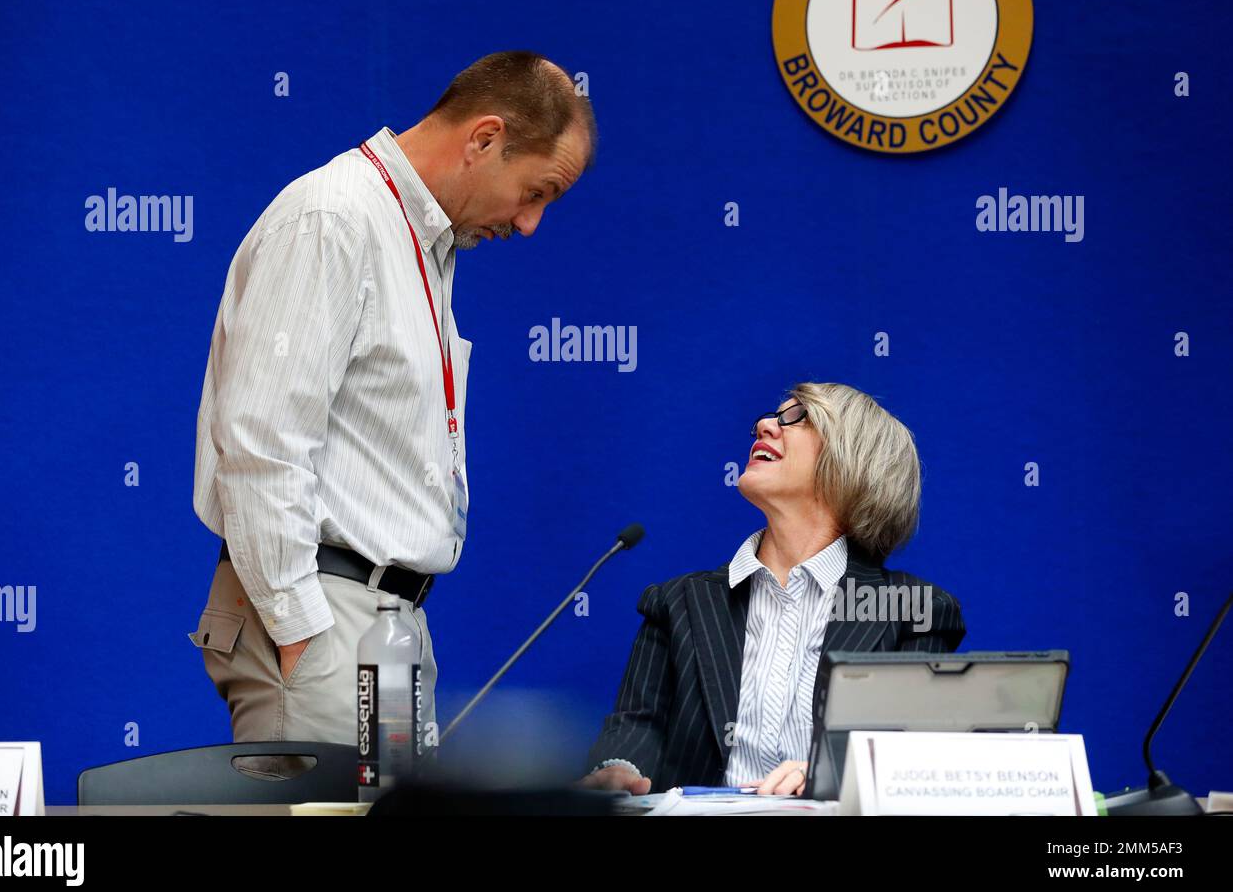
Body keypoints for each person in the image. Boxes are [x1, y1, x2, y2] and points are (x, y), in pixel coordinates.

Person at [189, 51, 597, 777]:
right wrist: (300, 636)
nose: (531, 223)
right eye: (537, 191)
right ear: (483, 139)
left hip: (381, 623)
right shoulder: (335, 219)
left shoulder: (422, 242)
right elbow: (260, 443)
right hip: (324, 616)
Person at [580, 381, 964, 796]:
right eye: (767, 418)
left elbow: (912, 760)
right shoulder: (677, 603)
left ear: (855, 458)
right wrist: (618, 768)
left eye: (797, 417)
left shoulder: (911, 610)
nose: (764, 424)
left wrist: (826, 772)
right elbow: (637, 725)